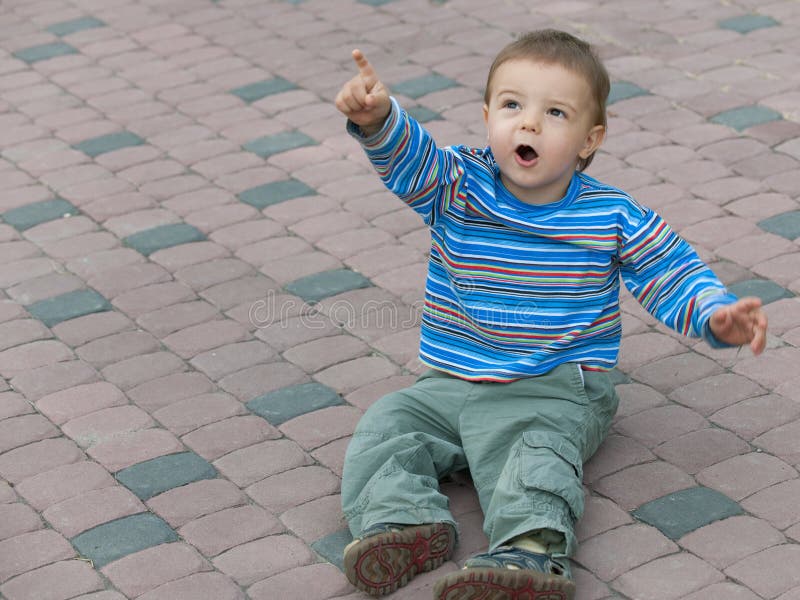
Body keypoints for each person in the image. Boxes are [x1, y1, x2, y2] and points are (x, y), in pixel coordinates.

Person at [334, 29, 768, 600]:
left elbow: (671, 268)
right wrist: (378, 118)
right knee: (386, 427)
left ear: (589, 140)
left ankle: (530, 554)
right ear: (488, 116)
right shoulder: (458, 184)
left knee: (532, 457)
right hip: (451, 381)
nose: (529, 123)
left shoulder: (609, 214)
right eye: (512, 105)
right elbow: (411, 157)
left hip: (553, 388)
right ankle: (404, 524)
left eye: (554, 112)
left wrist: (714, 315)